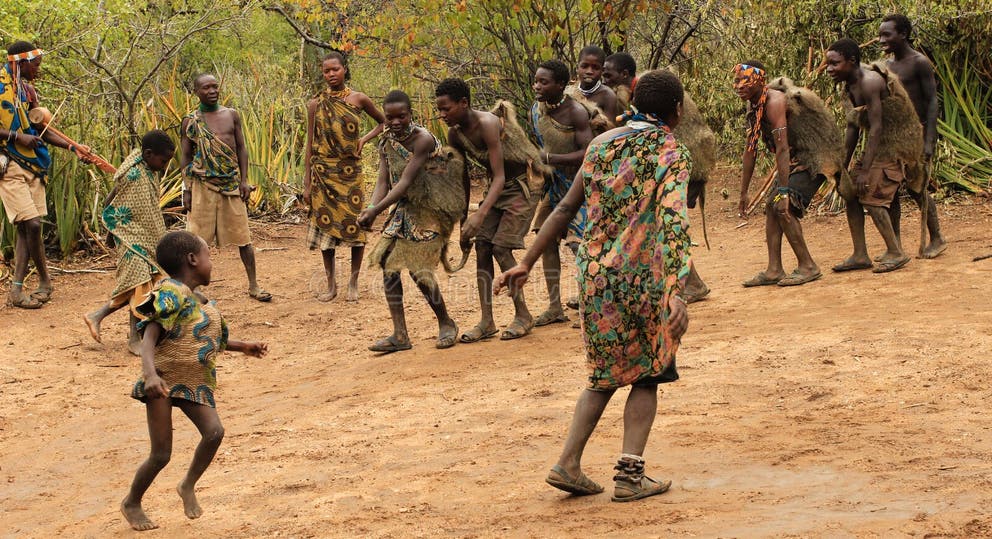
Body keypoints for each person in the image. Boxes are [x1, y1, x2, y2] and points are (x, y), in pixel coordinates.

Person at [496, 69, 691, 503]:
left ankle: (568, 463)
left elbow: (565, 207)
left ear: (636, 102)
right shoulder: (670, 151)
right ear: (676, 111)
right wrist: (676, 290)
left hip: (596, 274)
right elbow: (675, 222)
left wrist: (526, 261)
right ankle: (629, 476)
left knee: (603, 373)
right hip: (645, 278)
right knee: (649, 372)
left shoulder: (602, 144)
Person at [120, 231, 268, 531]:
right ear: (192, 259)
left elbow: (203, 336)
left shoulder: (198, 299)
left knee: (214, 432)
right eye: (208, 256)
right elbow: (149, 336)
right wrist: (149, 375)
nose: (211, 263)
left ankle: (187, 484)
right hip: (162, 381)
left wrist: (243, 347)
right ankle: (132, 502)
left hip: (193, 381)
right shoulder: (170, 292)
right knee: (161, 453)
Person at [436, 78, 543, 342]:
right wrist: (464, 218)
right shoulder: (455, 133)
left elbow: (499, 176)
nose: (442, 115)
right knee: (482, 245)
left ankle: (523, 315)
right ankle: (487, 321)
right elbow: (460, 177)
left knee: (500, 247)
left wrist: (480, 214)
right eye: (439, 109)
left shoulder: (487, 125)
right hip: (498, 189)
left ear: (464, 103)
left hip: (522, 187)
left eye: (446, 108)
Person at [357, 90, 465, 352]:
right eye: (390, 117)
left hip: (434, 206)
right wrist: (371, 207)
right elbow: (384, 181)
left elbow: (404, 183)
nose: (395, 122)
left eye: (401, 116)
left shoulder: (423, 139)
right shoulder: (386, 141)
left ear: (410, 114)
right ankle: (400, 334)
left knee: (418, 268)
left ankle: (446, 323)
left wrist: (376, 211)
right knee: (387, 263)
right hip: (406, 206)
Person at [1, 41, 94, 308]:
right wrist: (16, 136)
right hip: (8, 164)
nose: (39, 70)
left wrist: (72, 146)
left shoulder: (27, 91)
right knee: (31, 224)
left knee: (26, 228)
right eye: (36, 65)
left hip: (34, 165)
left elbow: (41, 130)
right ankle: (28, 287)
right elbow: (23, 134)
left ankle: (35, 286)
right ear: (20, 63)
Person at [827, 38, 923, 273]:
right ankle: (860, 254)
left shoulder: (870, 82)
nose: (829, 69)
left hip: (897, 143)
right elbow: (853, 127)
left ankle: (896, 252)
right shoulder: (848, 86)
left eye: (834, 63)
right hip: (879, 144)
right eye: (827, 63)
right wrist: (844, 168)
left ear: (851, 61)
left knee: (871, 194)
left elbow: (877, 128)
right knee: (851, 192)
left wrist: (866, 170)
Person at [735, 61, 832, 287]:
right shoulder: (754, 107)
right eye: (736, 80)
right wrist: (743, 192)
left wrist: (785, 191)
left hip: (815, 157)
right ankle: (774, 270)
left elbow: (782, 148)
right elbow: (750, 150)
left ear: (758, 81)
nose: (738, 85)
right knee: (772, 205)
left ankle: (808, 266)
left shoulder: (776, 102)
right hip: (795, 159)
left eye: (743, 80)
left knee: (781, 204)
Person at [180, 73, 271, 302]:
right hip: (202, 186)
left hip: (231, 185)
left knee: (244, 238)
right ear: (196, 92)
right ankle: (192, 290)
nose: (211, 91)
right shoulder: (191, 121)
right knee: (195, 241)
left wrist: (244, 180)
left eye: (214, 86)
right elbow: (186, 157)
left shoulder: (232, 115)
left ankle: (253, 285)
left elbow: (241, 148)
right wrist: (187, 189)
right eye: (205, 88)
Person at [85, 130, 176, 355]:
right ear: (148, 154)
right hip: (131, 237)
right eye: (163, 161)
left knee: (140, 284)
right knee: (139, 286)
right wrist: (114, 228)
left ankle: (97, 316)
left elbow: (143, 208)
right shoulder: (133, 174)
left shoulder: (147, 170)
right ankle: (135, 338)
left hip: (142, 237)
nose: (164, 167)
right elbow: (116, 200)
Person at [303, 51, 385, 302]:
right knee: (325, 231)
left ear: (344, 70)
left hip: (350, 174)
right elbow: (310, 144)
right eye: (326, 71)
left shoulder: (358, 99)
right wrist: (307, 183)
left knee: (355, 227)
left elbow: (384, 123)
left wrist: (364, 139)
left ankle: (353, 282)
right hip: (323, 174)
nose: (330, 75)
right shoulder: (315, 104)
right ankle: (331, 285)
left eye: (335, 69)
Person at [529, 59, 593, 327]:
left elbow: (589, 153)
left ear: (561, 84)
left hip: (578, 184)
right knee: (546, 238)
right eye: (536, 80)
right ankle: (555, 307)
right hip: (553, 185)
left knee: (582, 246)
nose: (537, 86)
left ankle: (590, 306)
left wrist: (552, 158)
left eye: (544, 82)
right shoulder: (535, 110)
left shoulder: (576, 112)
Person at [878, 13, 947, 258]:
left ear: (903, 34)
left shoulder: (919, 62)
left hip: (916, 136)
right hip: (893, 138)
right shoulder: (885, 67)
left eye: (887, 34)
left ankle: (937, 238)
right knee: (892, 191)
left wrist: (929, 140)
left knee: (918, 188)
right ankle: (895, 245)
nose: (881, 40)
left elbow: (931, 102)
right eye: (880, 35)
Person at [566, 46, 620, 126]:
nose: (589, 71)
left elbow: (609, 129)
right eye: (584, 66)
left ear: (602, 70)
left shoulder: (608, 95)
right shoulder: (569, 92)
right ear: (577, 68)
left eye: (595, 68)